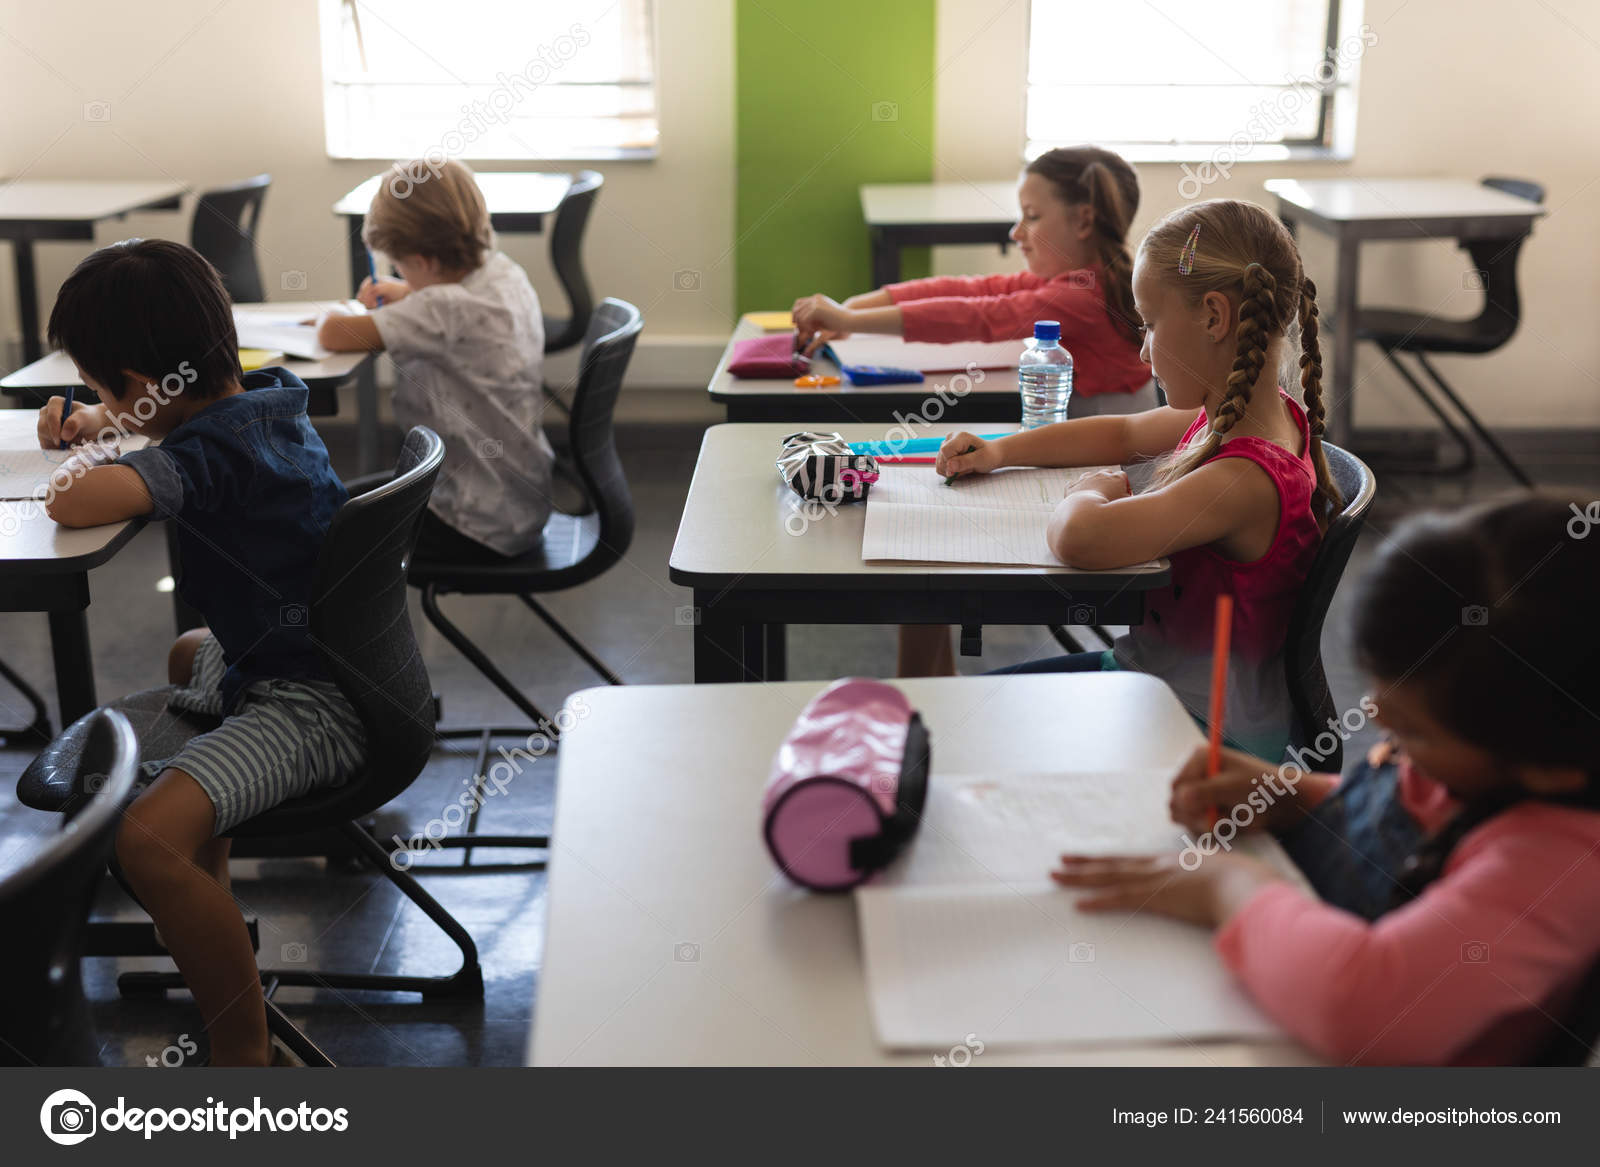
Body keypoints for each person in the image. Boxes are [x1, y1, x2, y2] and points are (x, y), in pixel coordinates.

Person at [1053, 493, 1600, 1065]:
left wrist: (1228, 886)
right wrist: (1299, 797)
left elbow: (1361, 1007)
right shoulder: (1486, 763)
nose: (1376, 717)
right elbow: (1407, 814)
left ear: (1551, 769)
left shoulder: (1554, 869)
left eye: (1416, 734)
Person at [38, 239, 364, 1066]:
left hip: (313, 703)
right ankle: (205, 891)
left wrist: (91, 446)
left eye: (100, 386)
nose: (97, 401)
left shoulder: (211, 454)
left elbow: (75, 501)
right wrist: (106, 416)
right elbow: (169, 424)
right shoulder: (267, 399)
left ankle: (244, 1050)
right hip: (323, 659)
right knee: (189, 653)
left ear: (142, 384)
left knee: (142, 840)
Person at [792, 146, 1154, 416]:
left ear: (1084, 221)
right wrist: (853, 309)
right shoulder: (1077, 281)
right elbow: (970, 290)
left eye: (1032, 216)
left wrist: (849, 320)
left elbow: (976, 316)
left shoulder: (1082, 296)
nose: (1015, 233)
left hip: (1119, 467)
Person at [319, 157, 553, 561]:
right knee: (343, 506)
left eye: (400, 266)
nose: (399, 274)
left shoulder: (440, 309)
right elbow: (451, 309)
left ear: (424, 261)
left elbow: (333, 333)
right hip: (517, 506)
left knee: (325, 527)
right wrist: (410, 292)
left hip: (468, 521)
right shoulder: (504, 275)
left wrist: (338, 311)